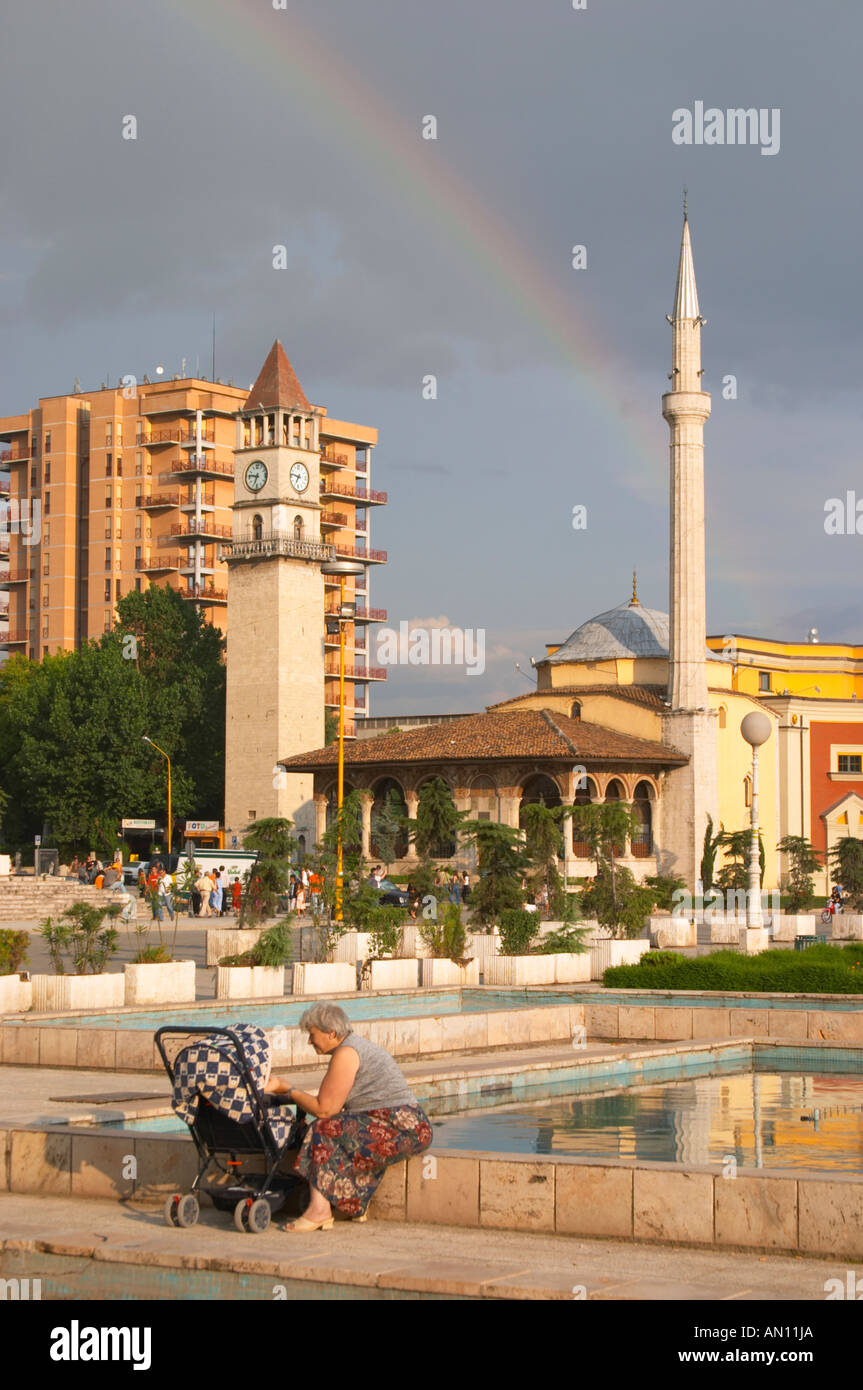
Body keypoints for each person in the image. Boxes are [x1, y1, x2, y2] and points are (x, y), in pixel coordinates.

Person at [265, 1002, 432, 1230]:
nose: (309, 1041)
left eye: (312, 1035)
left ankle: (319, 1211)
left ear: (331, 1033)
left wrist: (287, 1089)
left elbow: (324, 1109)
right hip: (408, 1126)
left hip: (401, 1126)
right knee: (337, 1129)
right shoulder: (353, 1047)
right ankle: (352, 1205)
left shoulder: (346, 1053)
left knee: (321, 1128)